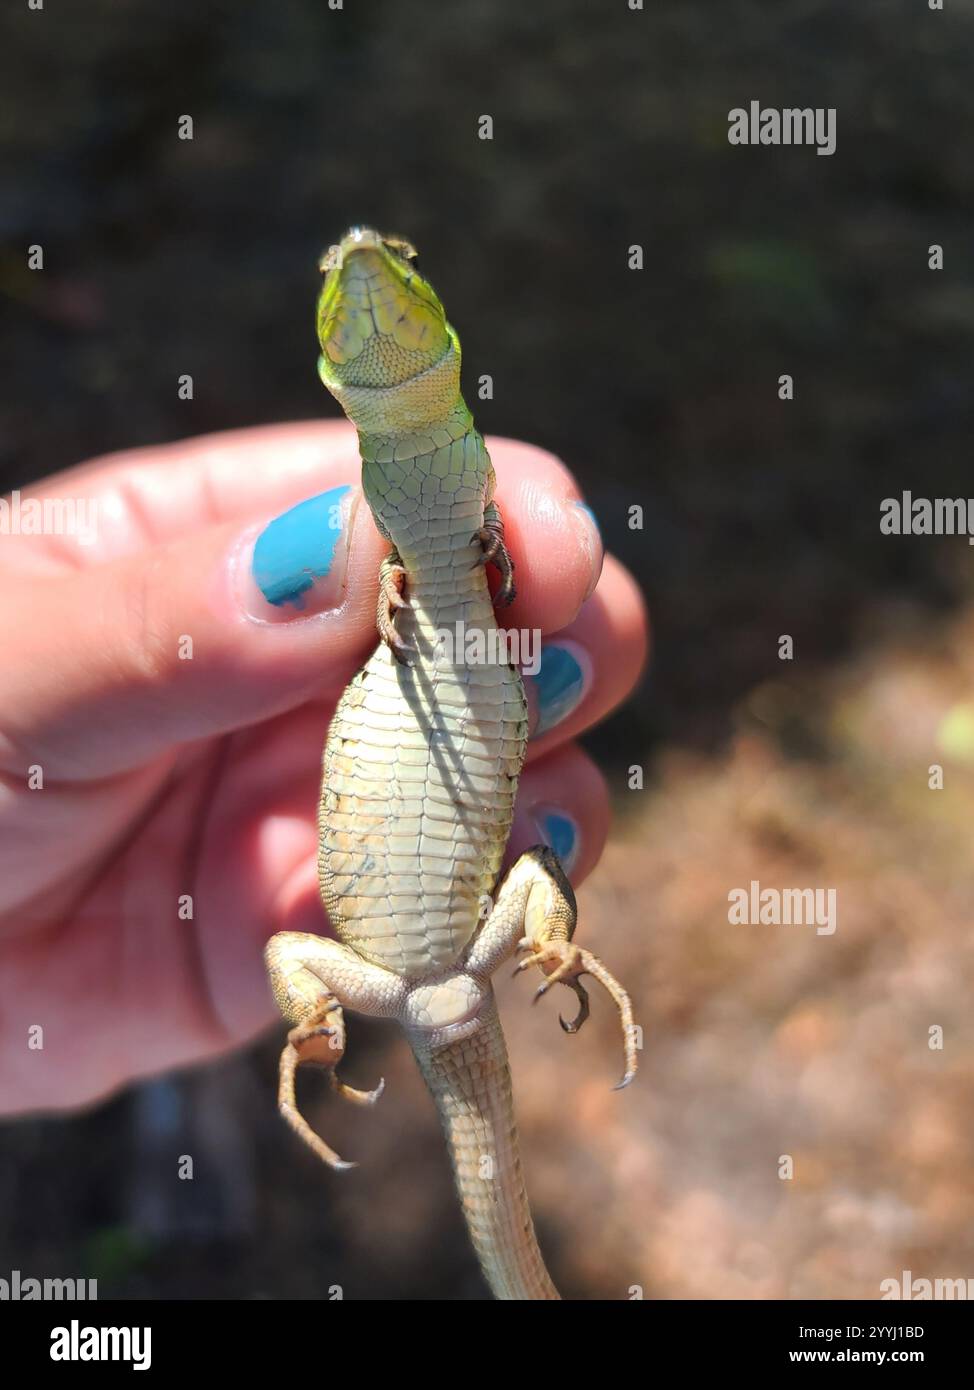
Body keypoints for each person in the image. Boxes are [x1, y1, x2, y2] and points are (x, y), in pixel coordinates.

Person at [0, 422, 648, 1113]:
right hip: (395, 967)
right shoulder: (387, 574)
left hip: (426, 955)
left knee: (530, 868)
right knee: (531, 860)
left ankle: (549, 947)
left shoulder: (484, 577)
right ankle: (316, 1025)